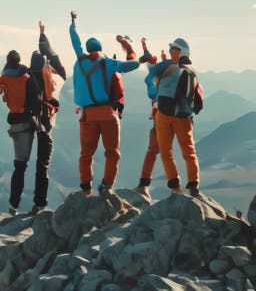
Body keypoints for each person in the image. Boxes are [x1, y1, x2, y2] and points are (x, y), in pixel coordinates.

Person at [69, 11, 151, 196]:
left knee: (86, 154)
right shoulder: (108, 62)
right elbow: (131, 65)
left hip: (86, 115)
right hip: (107, 113)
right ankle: (106, 185)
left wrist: (73, 22)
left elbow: (75, 40)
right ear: (99, 48)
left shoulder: (80, 60)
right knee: (112, 152)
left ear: (88, 49)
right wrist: (141, 59)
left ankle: (85, 190)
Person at [0, 50, 42, 216]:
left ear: (7, 61)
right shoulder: (27, 77)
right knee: (23, 164)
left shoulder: (3, 78)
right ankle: (18, 205)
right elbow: (37, 103)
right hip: (27, 122)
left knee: (19, 164)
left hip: (14, 124)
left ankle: (13, 205)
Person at [146, 38, 204, 196]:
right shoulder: (193, 72)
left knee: (166, 151)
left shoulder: (170, 68)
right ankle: (193, 185)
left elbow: (152, 74)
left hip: (163, 114)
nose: (171, 50)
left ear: (180, 51)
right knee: (189, 152)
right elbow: (199, 97)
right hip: (184, 117)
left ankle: (174, 185)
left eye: (173, 48)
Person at [26, 21, 67, 215]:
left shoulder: (26, 77)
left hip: (27, 122)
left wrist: (41, 36)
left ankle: (15, 204)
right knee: (42, 164)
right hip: (46, 125)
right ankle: (40, 202)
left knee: (21, 163)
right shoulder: (55, 77)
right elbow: (52, 54)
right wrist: (42, 36)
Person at [134, 46, 168, 200]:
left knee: (154, 151)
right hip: (180, 118)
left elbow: (151, 84)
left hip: (160, 118)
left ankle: (143, 185)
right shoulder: (171, 75)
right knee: (185, 151)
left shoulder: (156, 82)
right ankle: (189, 186)